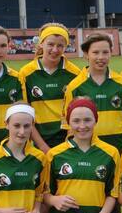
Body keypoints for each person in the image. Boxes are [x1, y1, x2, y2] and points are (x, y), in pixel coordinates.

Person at [64, 33, 122, 152]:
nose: (101, 57)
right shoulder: (75, 86)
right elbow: (69, 126)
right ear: (86, 54)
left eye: (105, 52)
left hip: (118, 147)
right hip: (88, 149)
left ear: (111, 53)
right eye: (95, 52)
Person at [18, 23, 80, 151]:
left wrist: (69, 142)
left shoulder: (75, 73)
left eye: (60, 45)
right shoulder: (26, 73)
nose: (55, 50)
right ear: (41, 44)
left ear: (66, 46)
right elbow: (25, 113)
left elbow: (78, 110)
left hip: (69, 139)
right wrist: (42, 146)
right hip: (38, 141)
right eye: (50, 44)